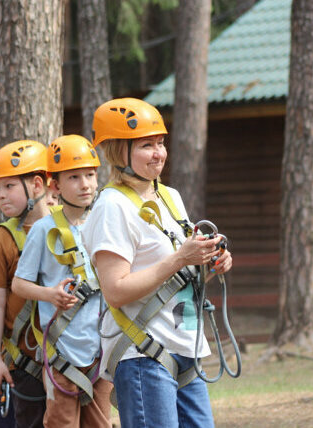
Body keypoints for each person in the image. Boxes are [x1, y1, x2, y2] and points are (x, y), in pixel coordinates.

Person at [81, 98, 233, 428]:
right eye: (146, 145)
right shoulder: (112, 207)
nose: (158, 153)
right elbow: (116, 291)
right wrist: (180, 257)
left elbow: (179, 275)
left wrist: (209, 261)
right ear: (119, 151)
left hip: (185, 347)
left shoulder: (169, 197)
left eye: (160, 143)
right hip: (143, 354)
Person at [12, 135, 113, 427]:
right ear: (54, 186)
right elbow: (20, 284)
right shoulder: (43, 231)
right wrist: (50, 294)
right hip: (62, 353)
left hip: (102, 353)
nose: (85, 184)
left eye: (90, 175)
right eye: (74, 177)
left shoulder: (105, 222)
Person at [0, 140, 51, 428]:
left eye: (9, 186)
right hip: (22, 364)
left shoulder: (66, 229)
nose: (1, 196)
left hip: (70, 361)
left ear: (36, 184)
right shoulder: (1, 238)